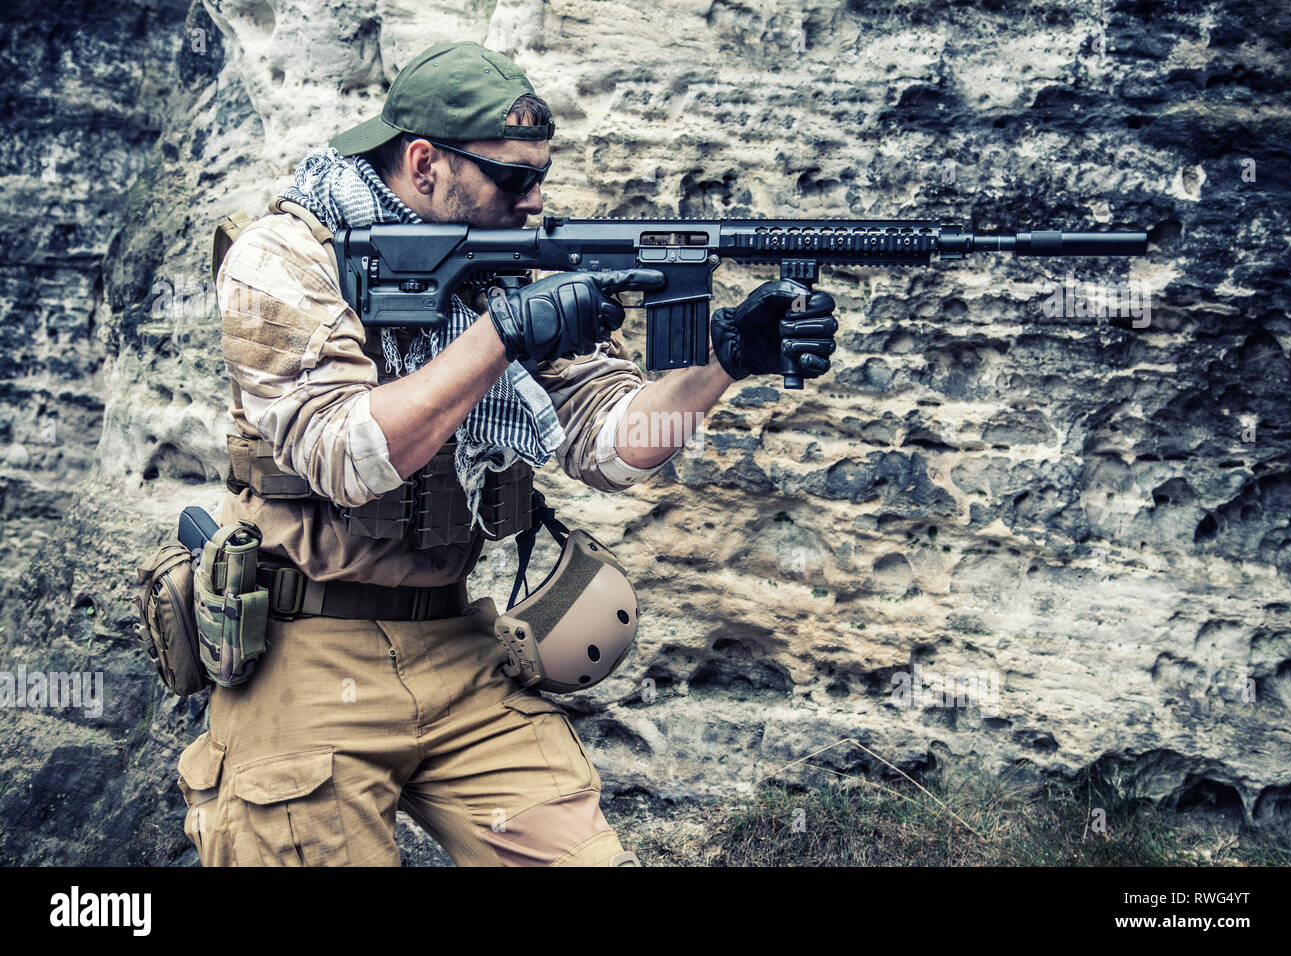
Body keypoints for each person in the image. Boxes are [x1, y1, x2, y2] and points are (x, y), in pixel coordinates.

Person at [175, 40, 838, 867]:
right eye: (514, 179)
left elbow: (612, 447)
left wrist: (727, 361)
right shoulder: (282, 258)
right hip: (306, 651)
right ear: (424, 163)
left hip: (459, 643)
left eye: (540, 176)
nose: (534, 201)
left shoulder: (509, 266)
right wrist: (505, 333)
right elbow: (346, 455)